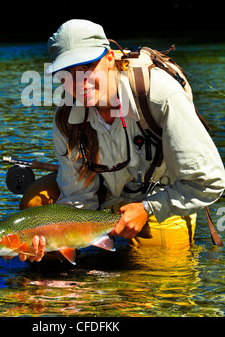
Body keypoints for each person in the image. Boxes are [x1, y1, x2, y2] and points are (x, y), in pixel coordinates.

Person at [18, 19, 225, 262]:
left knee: (157, 274)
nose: (79, 81)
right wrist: (55, 240)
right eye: (67, 73)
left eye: (87, 66)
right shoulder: (66, 117)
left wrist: (148, 209)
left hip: (161, 198)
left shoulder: (159, 95)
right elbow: (77, 198)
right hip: (103, 197)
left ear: (109, 58)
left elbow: (210, 181)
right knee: (35, 211)